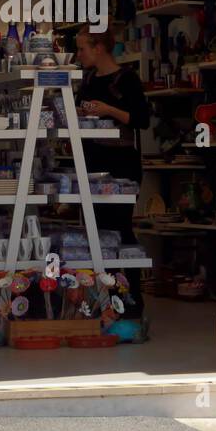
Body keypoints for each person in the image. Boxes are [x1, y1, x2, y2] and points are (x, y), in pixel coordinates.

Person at [74, 25, 150, 317]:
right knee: (96, 232)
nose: (79, 54)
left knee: (120, 228)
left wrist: (109, 110)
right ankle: (102, 298)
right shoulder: (89, 78)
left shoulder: (126, 78)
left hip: (121, 163)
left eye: (83, 48)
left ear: (99, 48)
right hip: (93, 160)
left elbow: (141, 119)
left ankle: (130, 298)